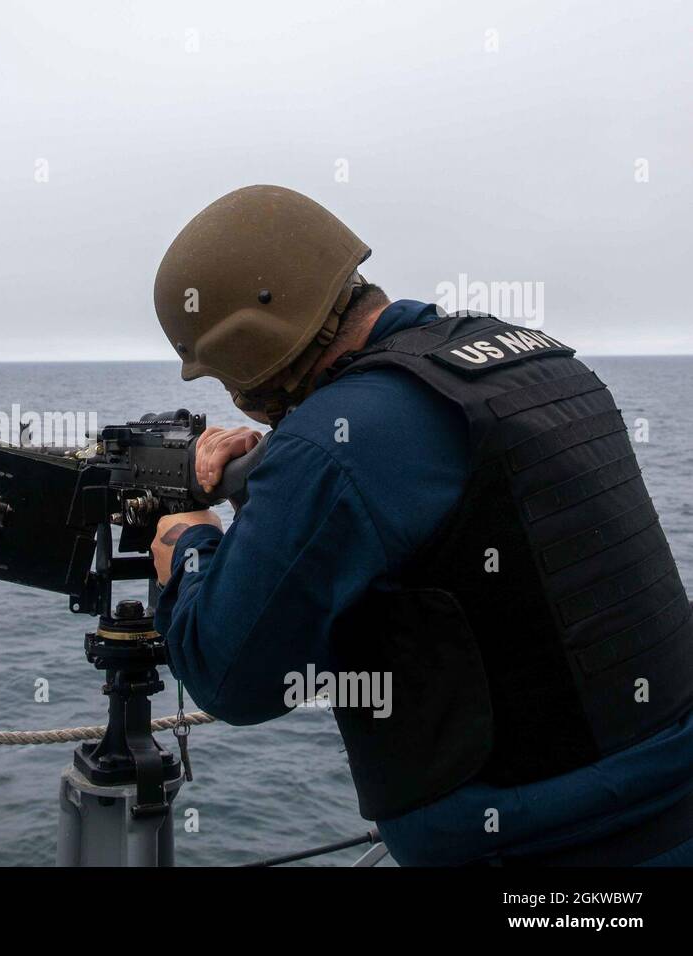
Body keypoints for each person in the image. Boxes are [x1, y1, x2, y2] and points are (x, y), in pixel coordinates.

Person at [148, 185, 693, 865]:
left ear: (251, 350)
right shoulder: (537, 360)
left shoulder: (332, 443)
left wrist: (186, 535)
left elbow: (230, 677)